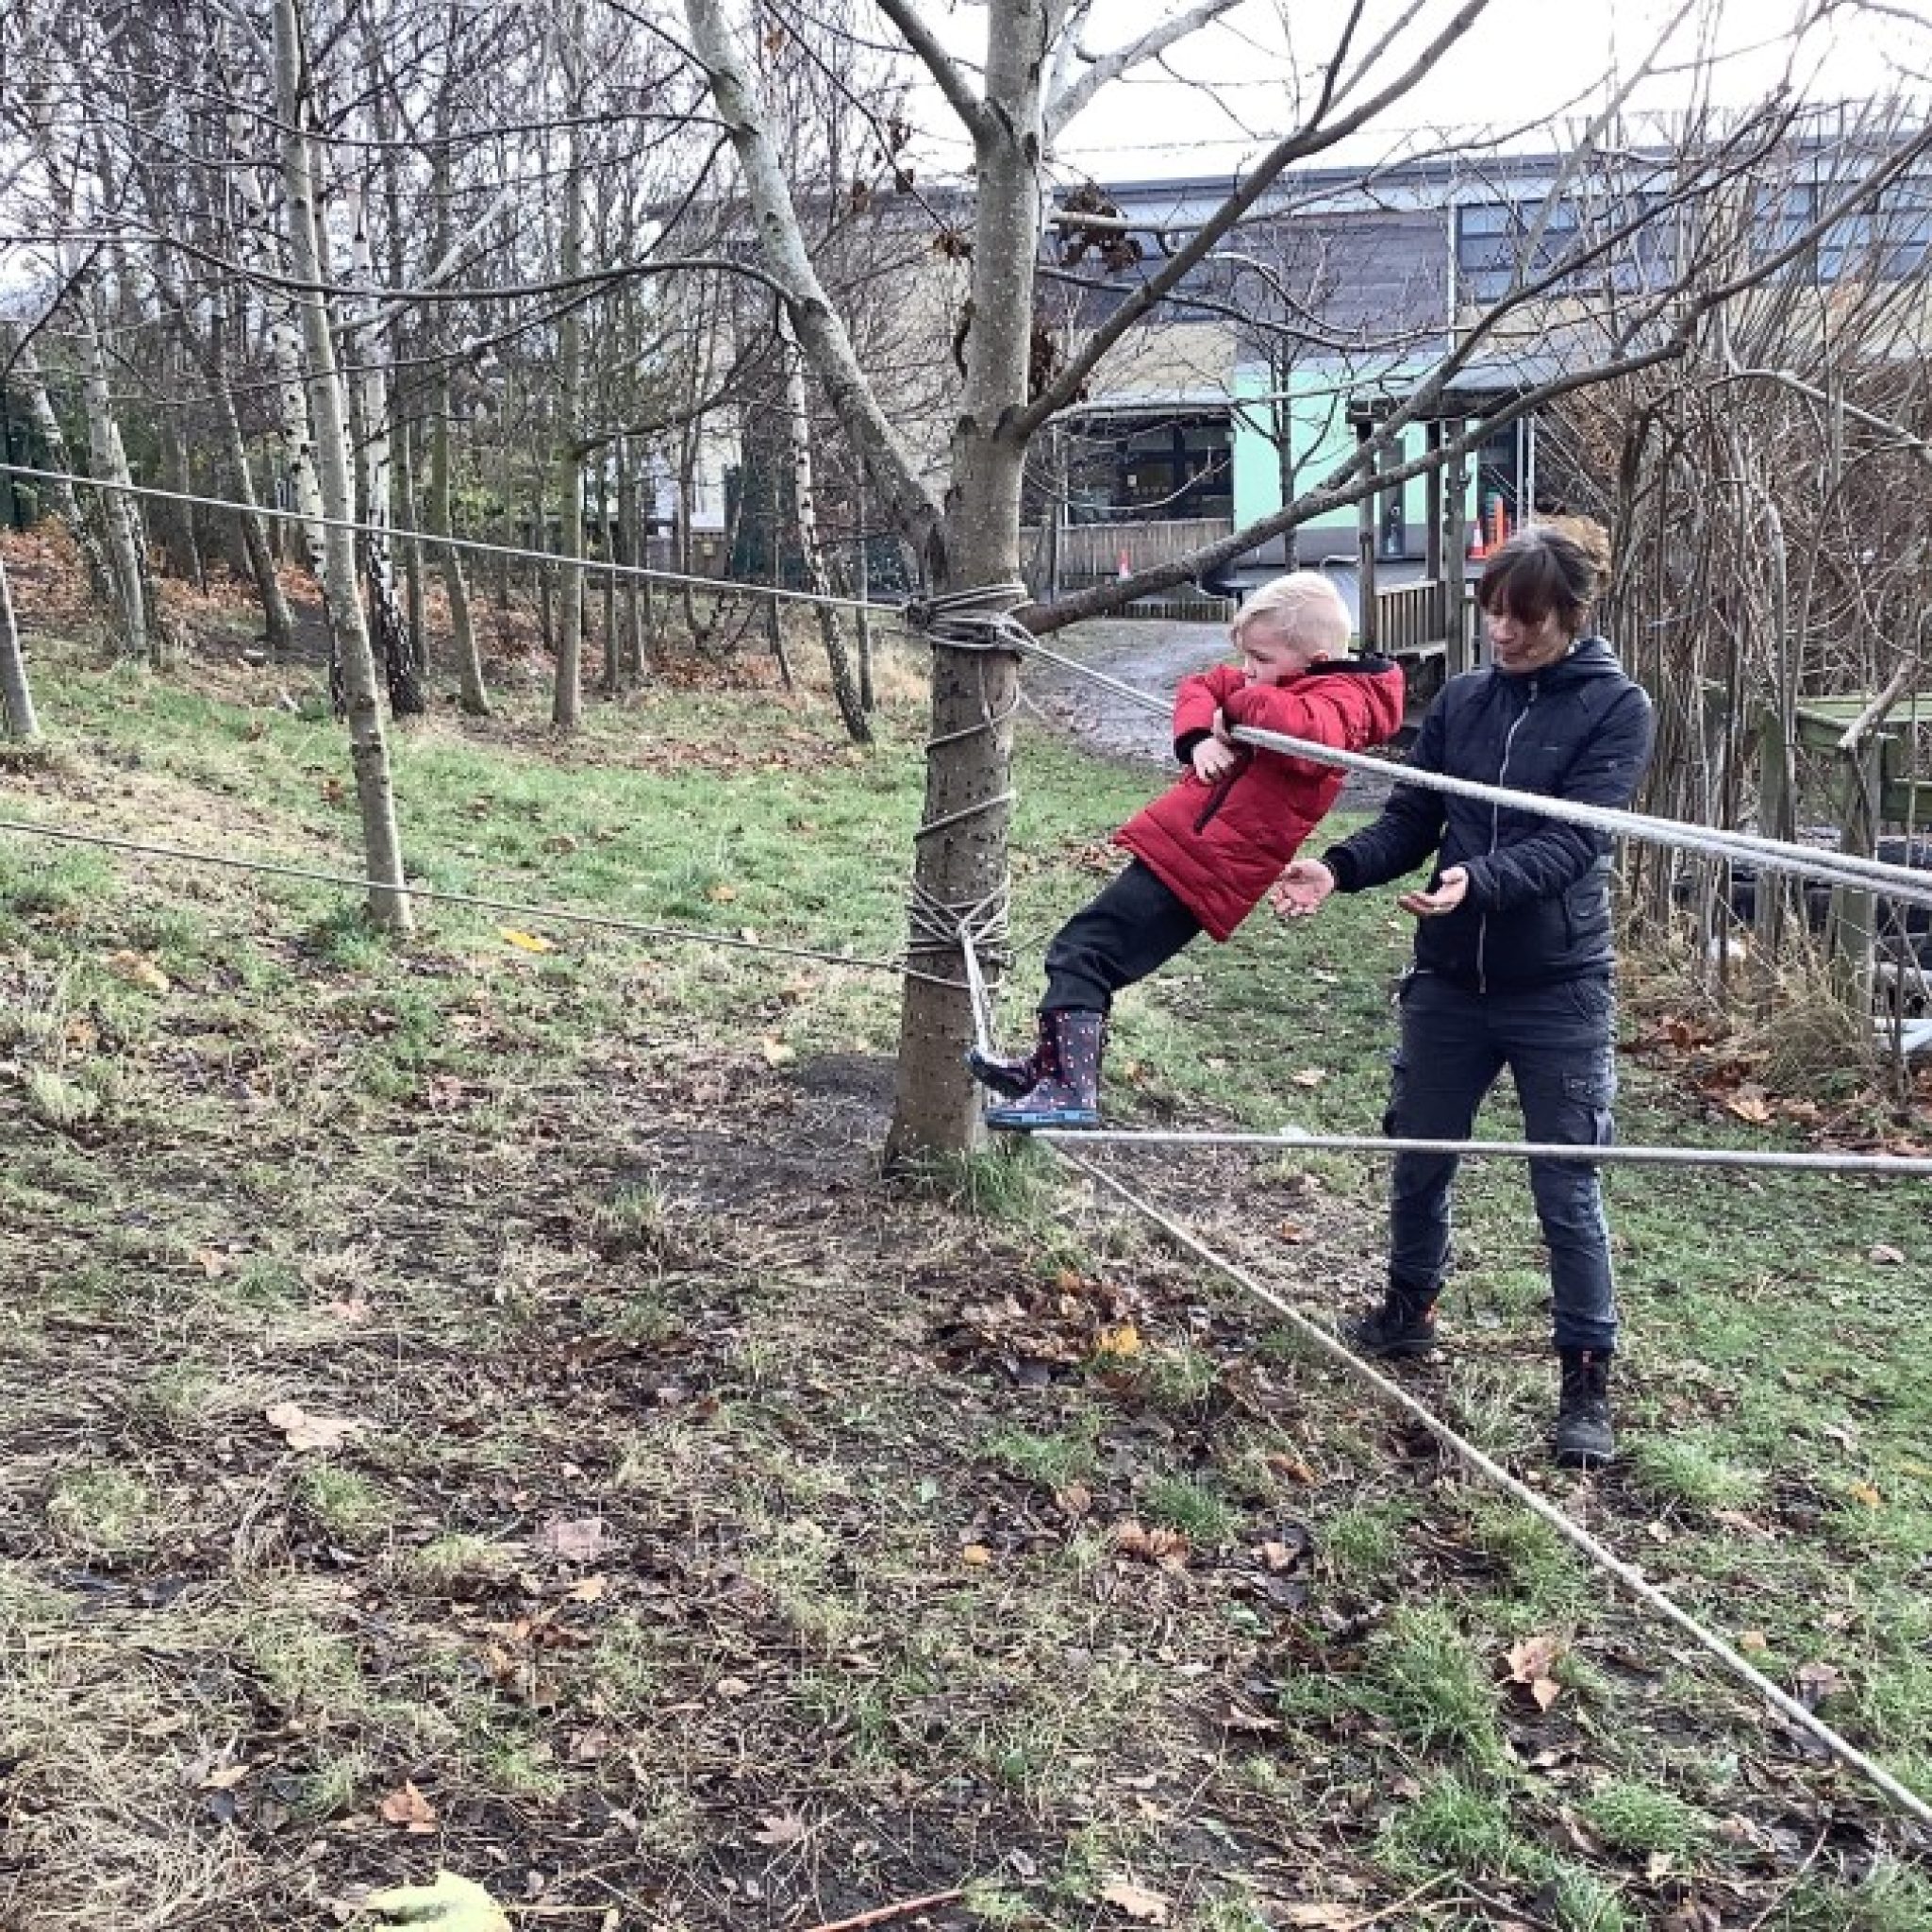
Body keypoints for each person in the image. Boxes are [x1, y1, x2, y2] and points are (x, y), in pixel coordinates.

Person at [1273, 518, 1655, 1469]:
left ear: (1571, 615)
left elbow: (1575, 840)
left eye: (1523, 619)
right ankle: (1408, 1310)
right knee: (1416, 1150)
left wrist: (1476, 881)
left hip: (1556, 986)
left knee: (1564, 1186)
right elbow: (1411, 816)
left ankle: (1584, 1377)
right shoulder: (1463, 699)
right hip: (1448, 978)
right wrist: (1338, 867)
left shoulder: (1616, 707)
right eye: (1491, 613)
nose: (1502, 633)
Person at [972, 572, 1406, 1129]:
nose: (1248, 670)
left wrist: (1237, 708)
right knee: (1087, 949)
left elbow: (1304, 729)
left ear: (1316, 657)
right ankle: (1052, 1069)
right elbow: (1202, 685)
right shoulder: (1283, 683)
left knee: (1084, 952)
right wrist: (1202, 735)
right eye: (1246, 658)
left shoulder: (1345, 701)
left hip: (1209, 868)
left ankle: (1069, 1087)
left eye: (1262, 658)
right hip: (1186, 849)